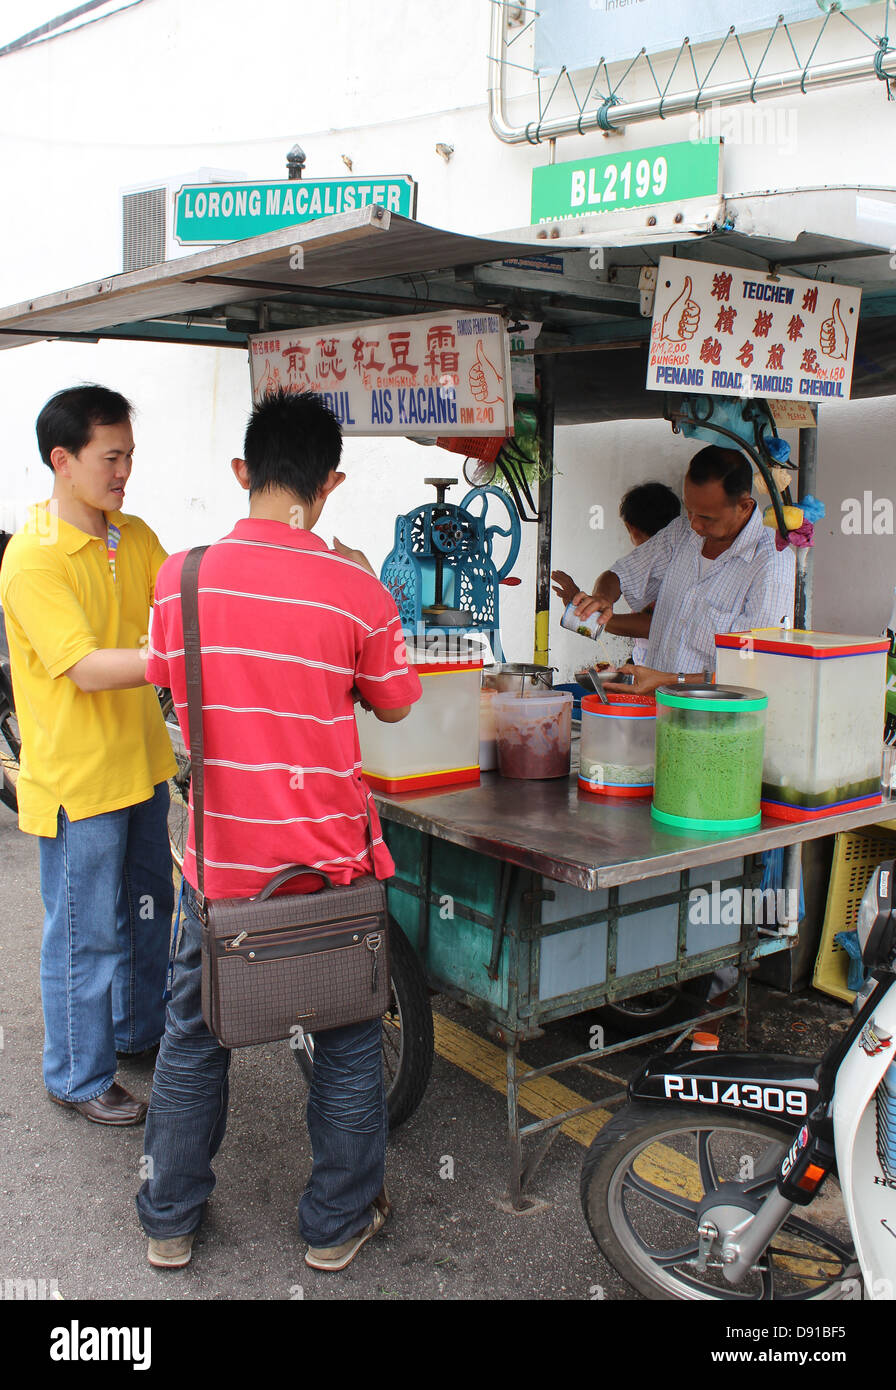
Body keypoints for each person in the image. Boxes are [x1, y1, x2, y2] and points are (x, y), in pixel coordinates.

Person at [136, 388, 422, 1273]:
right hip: (331, 867)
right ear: (330, 483)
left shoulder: (179, 577)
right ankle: (335, 1228)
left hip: (220, 866)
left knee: (194, 1038)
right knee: (342, 1044)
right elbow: (399, 703)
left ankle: (169, 1222)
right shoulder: (356, 589)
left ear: (241, 473)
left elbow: (165, 682)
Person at [0, 385, 175, 1125]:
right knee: (86, 932)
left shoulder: (131, 537)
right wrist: (170, 657)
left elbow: (178, 603)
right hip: (79, 782)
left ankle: (139, 1033)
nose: (124, 471)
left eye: (130, 455)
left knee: (146, 916)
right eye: (112, 457)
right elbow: (82, 666)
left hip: (141, 767)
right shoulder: (33, 558)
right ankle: (76, 1074)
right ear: (62, 460)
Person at [569, 446, 795, 695]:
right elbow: (620, 574)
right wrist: (602, 596)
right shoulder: (681, 533)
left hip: (717, 722)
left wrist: (669, 680)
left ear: (744, 506)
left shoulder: (772, 563)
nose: (694, 523)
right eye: (689, 510)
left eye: (707, 517)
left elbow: (756, 670)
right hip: (659, 711)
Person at [551, 481, 681, 664]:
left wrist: (587, 614)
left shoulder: (678, 561)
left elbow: (652, 627)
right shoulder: (644, 564)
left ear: (630, 527)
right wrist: (595, 602)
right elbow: (613, 576)